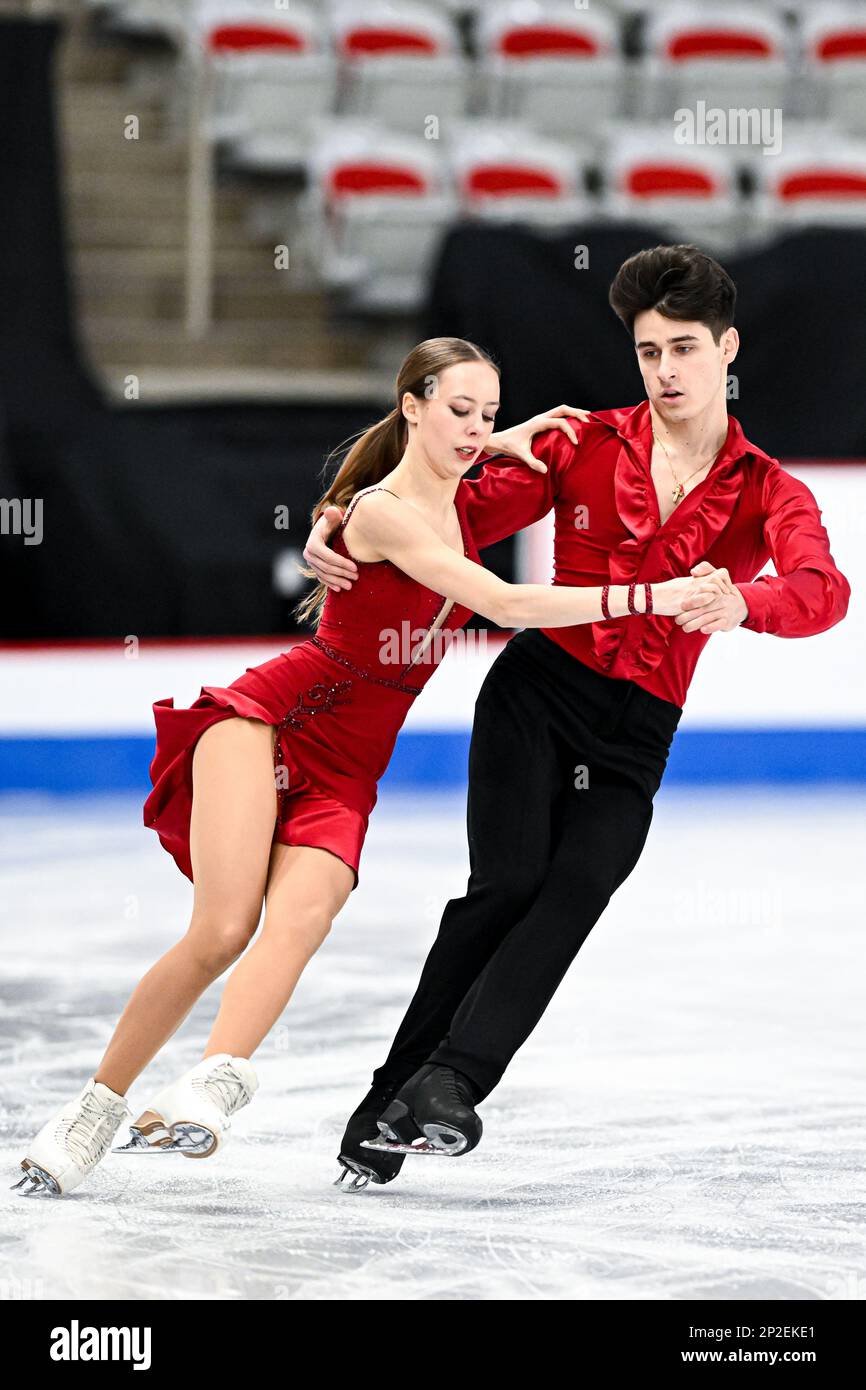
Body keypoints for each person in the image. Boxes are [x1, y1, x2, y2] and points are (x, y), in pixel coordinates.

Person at [10, 337, 725, 1198]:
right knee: (223, 930)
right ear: (412, 405)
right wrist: (649, 594)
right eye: (458, 409)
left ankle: (211, 1082)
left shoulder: (461, 504)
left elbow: (519, 478)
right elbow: (500, 601)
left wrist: (510, 438)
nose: (476, 428)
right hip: (273, 722)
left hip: (351, 770)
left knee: (305, 918)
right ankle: (94, 1107)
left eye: (488, 413)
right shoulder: (381, 512)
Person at [304, 246, 851, 1190]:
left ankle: (440, 1086)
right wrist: (340, 517)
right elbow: (443, 517)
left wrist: (744, 604)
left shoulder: (768, 490)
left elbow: (824, 589)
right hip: (538, 694)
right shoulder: (583, 442)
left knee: (579, 885)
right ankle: (410, 1095)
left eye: (684, 348)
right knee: (505, 888)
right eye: (648, 352)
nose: (666, 371)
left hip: (639, 733)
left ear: (727, 349)